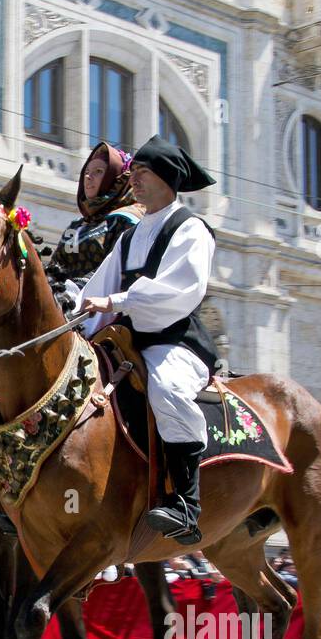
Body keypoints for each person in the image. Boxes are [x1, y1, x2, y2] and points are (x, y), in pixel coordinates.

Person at [78, 134, 219, 546]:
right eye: (134, 172)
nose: (133, 181)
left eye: (142, 173)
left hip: (173, 341)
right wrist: (73, 315)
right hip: (126, 342)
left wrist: (117, 300)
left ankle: (186, 505)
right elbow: (95, 289)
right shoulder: (130, 235)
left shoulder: (191, 228)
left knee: (166, 389)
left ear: (167, 178)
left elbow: (180, 288)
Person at [47, 142, 145, 315]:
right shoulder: (77, 226)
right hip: (62, 305)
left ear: (116, 178)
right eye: (86, 172)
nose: (88, 178)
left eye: (98, 172)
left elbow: (115, 268)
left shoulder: (128, 220)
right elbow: (56, 265)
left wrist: (75, 289)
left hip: (103, 312)